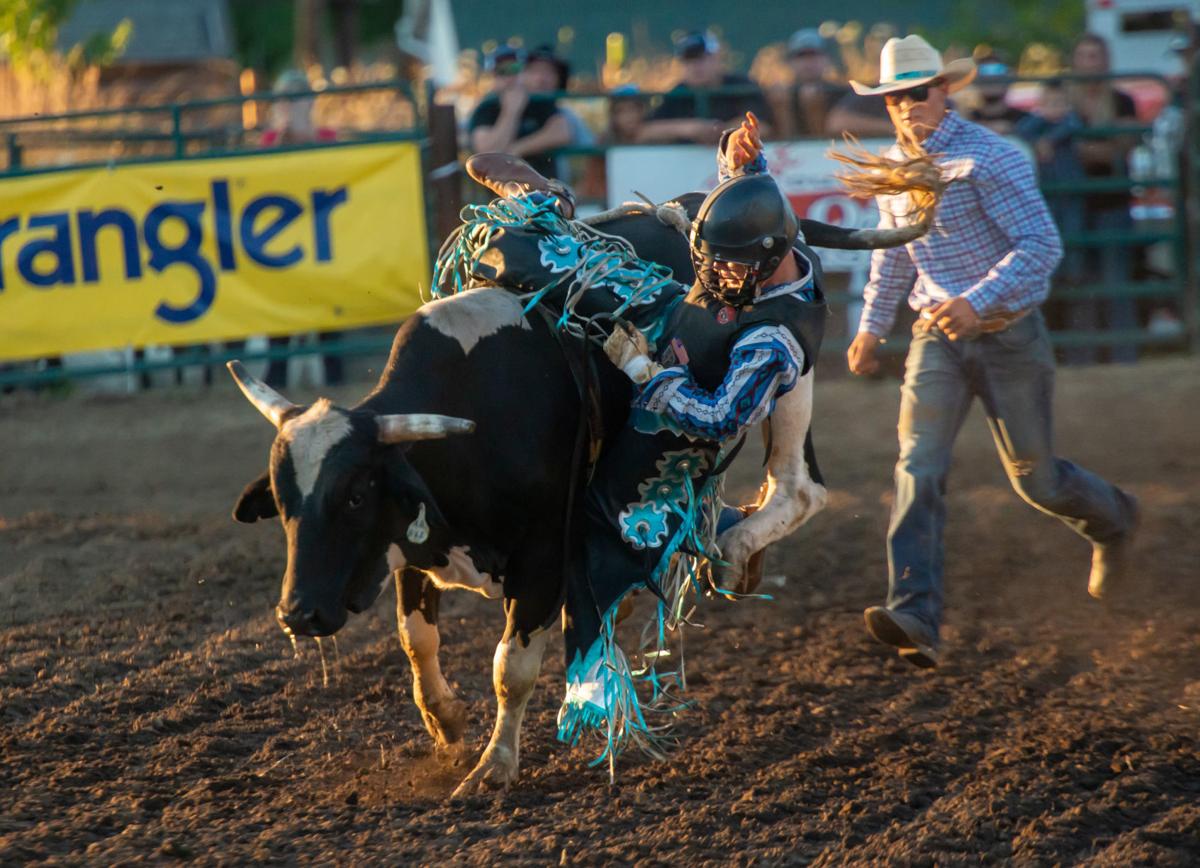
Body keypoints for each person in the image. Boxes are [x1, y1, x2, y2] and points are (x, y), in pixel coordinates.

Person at [441, 113, 828, 751]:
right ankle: (543, 203)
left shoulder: (773, 342)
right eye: (712, 260)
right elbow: (748, 215)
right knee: (547, 260)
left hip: (677, 437)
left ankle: (597, 681)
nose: (714, 273)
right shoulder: (752, 260)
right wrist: (742, 168)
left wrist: (647, 372)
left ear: (767, 262)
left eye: (728, 267)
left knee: (600, 554)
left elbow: (721, 417)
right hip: (670, 316)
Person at [845, 35, 1140, 669]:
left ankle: (1114, 518)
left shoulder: (990, 157)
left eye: (917, 93)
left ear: (942, 91)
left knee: (1038, 481)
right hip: (937, 336)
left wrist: (976, 299)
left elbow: (1041, 245)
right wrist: (871, 327)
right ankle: (914, 613)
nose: (906, 106)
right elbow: (894, 257)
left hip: (1008, 334)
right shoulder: (896, 167)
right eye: (895, 97)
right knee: (917, 466)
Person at [257, 69, 342, 388]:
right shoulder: (269, 141)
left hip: (324, 235)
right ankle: (277, 374)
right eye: (286, 99)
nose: (293, 105)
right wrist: (283, 137)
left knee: (330, 307)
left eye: (299, 98)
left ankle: (335, 374)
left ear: (310, 101)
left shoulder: (328, 137)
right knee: (280, 310)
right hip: (284, 237)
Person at [1065, 32, 1140, 364]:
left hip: (1112, 203)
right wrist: (1098, 146)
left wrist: (1079, 147)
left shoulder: (1123, 101)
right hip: (1075, 205)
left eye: (1095, 55)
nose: (1090, 62)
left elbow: (1123, 145)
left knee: (1116, 280)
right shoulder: (1065, 102)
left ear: (1106, 61)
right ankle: (1082, 357)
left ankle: (1124, 355)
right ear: (1075, 61)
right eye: (1084, 55)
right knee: (1080, 282)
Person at [639, 30, 774, 144]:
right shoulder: (677, 94)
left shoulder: (741, 86)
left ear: (717, 58)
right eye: (688, 60)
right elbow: (645, 132)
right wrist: (689, 128)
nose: (695, 66)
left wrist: (723, 131)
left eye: (701, 58)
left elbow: (765, 127)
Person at [467, 45, 572, 179]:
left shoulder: (538, 101)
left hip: (544, 186)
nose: (510, 78)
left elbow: (562, 132)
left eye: (516, 69)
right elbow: (487, 153)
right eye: (502, 71)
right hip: (500, 188)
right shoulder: (486, 107)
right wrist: (511, 112)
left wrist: (517, 149)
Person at [769, 28, 850, 138]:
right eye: (801, 56)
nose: (808, 62)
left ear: (827, 59)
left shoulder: (841, 93)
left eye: (814, 55)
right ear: (790, 62)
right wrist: (781, 109)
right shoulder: (779, 96)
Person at [965, 54, 1029, 135]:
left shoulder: (1027, 121)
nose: (992, 80)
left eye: (998, 73)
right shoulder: (965, 122)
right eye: (984, 73)